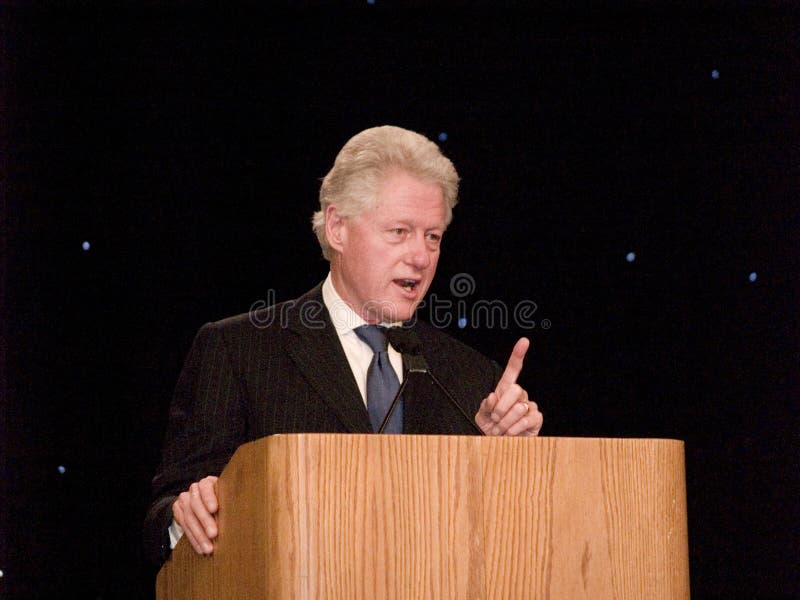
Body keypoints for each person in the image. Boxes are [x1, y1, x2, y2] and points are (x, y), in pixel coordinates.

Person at [143, 125, 543, 566]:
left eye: (432, 236)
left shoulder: (471, 380)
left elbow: (502, 539)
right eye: (399, 231)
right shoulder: (239, 350)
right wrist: (187, 513)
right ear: (337, 227)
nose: (421, 256)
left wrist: (505, 455)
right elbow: (164, 517)